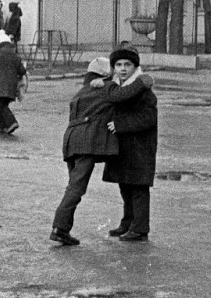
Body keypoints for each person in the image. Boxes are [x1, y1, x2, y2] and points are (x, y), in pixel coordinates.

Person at [49, 57, 120, 246]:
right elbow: (124, 96)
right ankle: (60, 228)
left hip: (71, 140)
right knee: (76, 188)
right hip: (87, 142)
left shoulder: (81, 91)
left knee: (72, 186)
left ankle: (62, 229)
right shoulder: (106, 89)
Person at [101, 47, 158, 242]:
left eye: (127, 65)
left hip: (140, 146)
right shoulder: (119, 86)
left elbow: (148, 118)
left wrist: (121, 125)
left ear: (135, 67)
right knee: (125, 185)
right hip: (124, 146)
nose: (123, 69)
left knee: (138, 187)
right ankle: (128, 222)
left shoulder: (143, 90)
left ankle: (140, 228)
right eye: (118, 65)